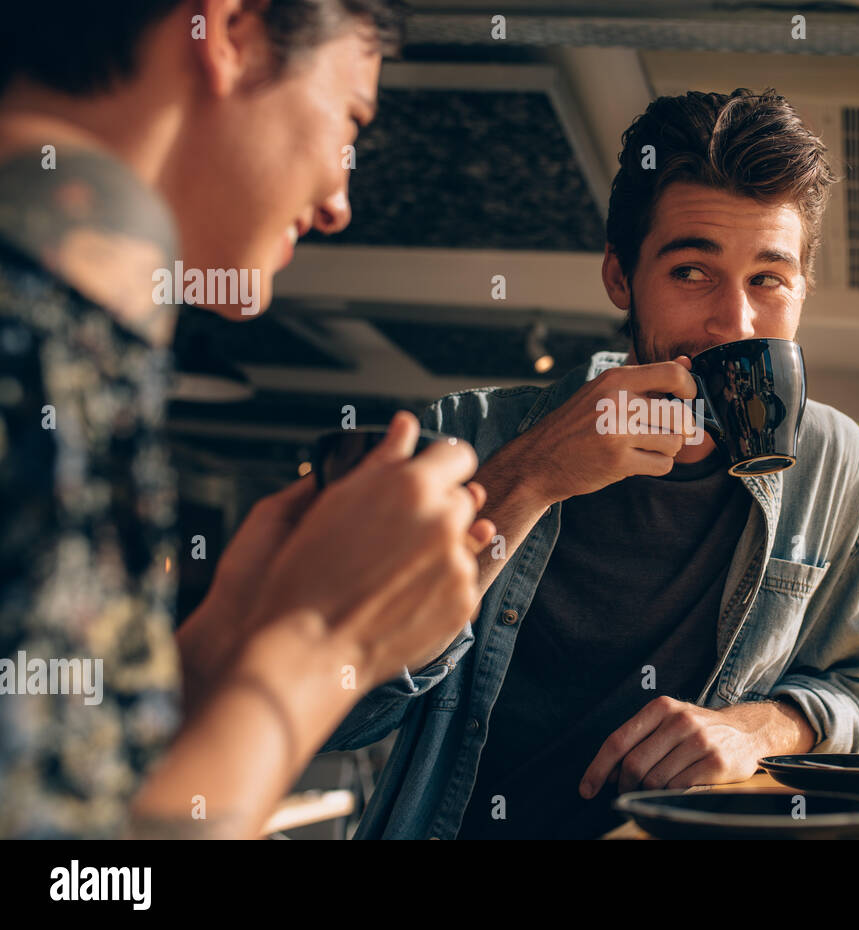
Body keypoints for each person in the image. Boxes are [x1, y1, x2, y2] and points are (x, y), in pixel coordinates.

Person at [324, 89, 859, 840]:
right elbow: (344, 710)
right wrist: (528, 478)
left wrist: (760, 728)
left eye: (768, 280)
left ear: (799, 291)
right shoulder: (470, 436)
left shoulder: (831, 461)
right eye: (691, 273)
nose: (732, 322)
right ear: (620, 278)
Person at [0, 0, 493, 839]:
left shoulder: (77, 326)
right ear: (231, 33)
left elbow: (70, 774)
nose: (340, 199)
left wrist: (237, 626)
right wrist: (328, 640)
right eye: (351, 118)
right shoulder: (40, 332)